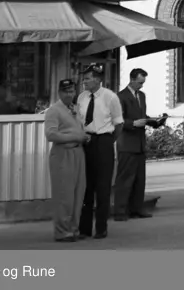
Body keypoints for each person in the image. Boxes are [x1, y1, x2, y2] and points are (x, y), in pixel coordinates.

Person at [75, 65, 122, 240]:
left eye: (87, 78)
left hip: (103, 140)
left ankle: (101, 227)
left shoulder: (110, 97)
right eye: (84, 78)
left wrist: (108, 140)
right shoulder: (81, 97)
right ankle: (84, 228)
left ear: (97, 79)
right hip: (86, 141)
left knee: (102, 187)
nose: (84, 81)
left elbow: (119, 124)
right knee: (86, 186)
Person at [115, 68, 165, 221]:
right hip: (127, 143)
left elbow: (142, 116)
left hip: (139, 143)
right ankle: (120, 211)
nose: (142, 86)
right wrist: (133, 123)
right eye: (140, 82)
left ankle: (136, 208)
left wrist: (155, 122)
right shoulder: (120, 96)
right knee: (125, 179)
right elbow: (118, 119)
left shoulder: (142, 96)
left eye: (143, 83)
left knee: (139, 179)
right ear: (131, 79)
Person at [44, 79, 88, 242]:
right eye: (66, 91)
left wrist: (83, 136)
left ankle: (73, 229)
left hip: (78, 152)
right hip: (63, 154)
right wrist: (75, 136)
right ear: (59, 93)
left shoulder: (74, 109)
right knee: (65, 195)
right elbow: (51, 134)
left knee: (78, 193)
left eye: (72, 91)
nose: (70, 94)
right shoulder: (54, 111)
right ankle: (62, 231)